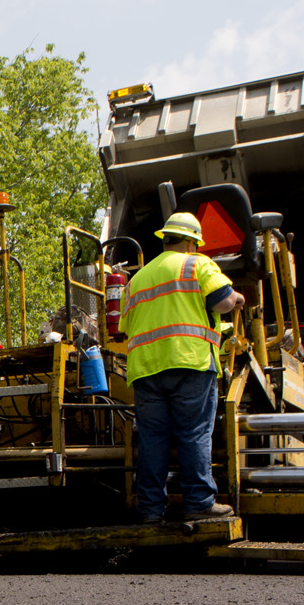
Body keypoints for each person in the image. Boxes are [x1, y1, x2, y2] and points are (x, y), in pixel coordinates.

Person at [123, 210, 245, 522]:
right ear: (192, 242)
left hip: (146, 369)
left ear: (166, 239)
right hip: (189, 362)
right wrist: (237, 299)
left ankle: (150, 508)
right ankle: (199, 503)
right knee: (193, 432)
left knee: (152, 438)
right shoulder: (197, 264)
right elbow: (222, 301)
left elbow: (126, 324)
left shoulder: (137, 279)